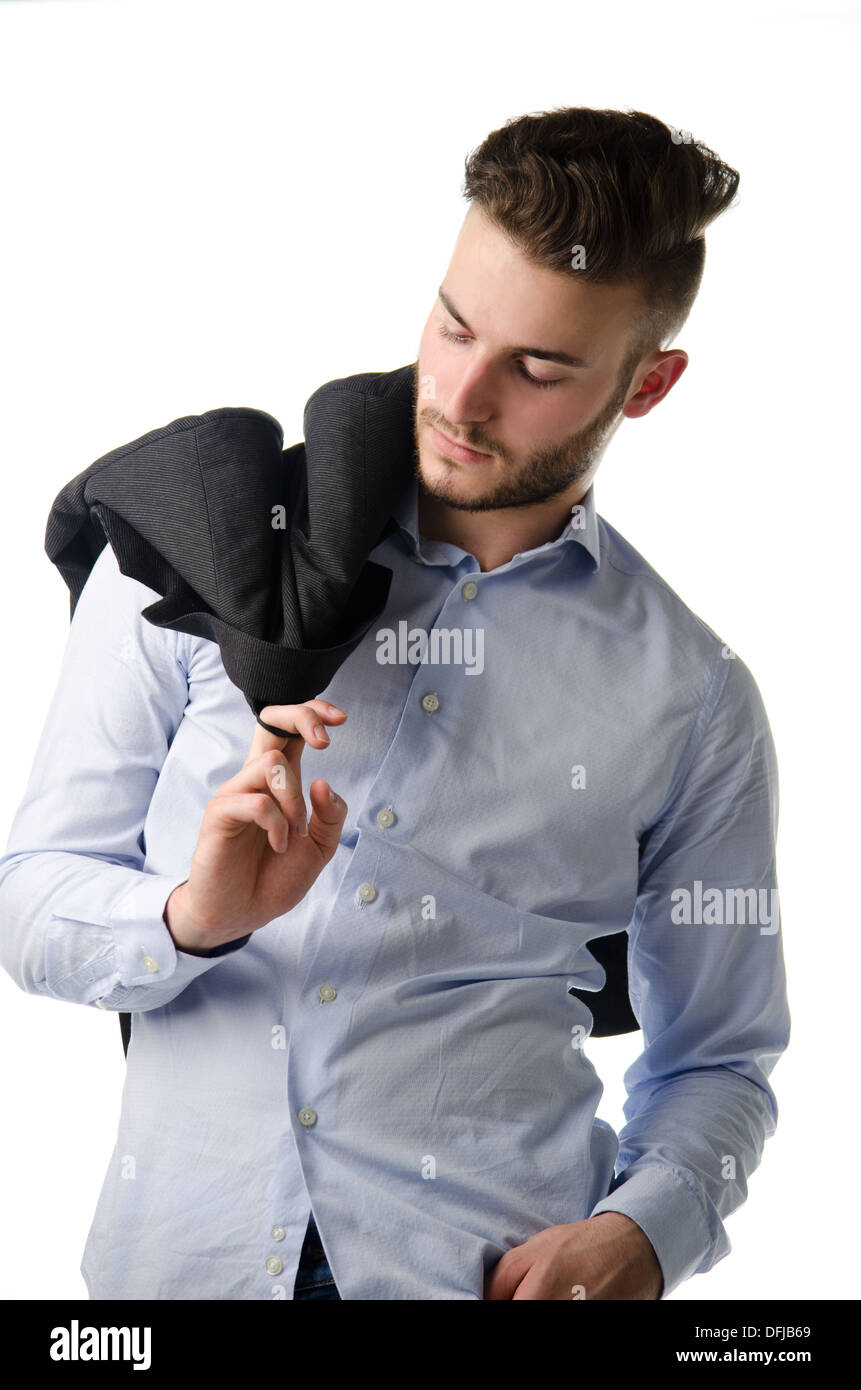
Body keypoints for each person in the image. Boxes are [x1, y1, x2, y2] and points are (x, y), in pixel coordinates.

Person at [0, 106, 790, 1301]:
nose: (461, 398)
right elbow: (28, 899)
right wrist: (188, 917)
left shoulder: (694, 698)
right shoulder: (191, 557)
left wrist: (643, 1232)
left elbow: (720, 1056)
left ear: (650, 384)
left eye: (538, 368)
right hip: (175, 1278)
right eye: (455, 325)